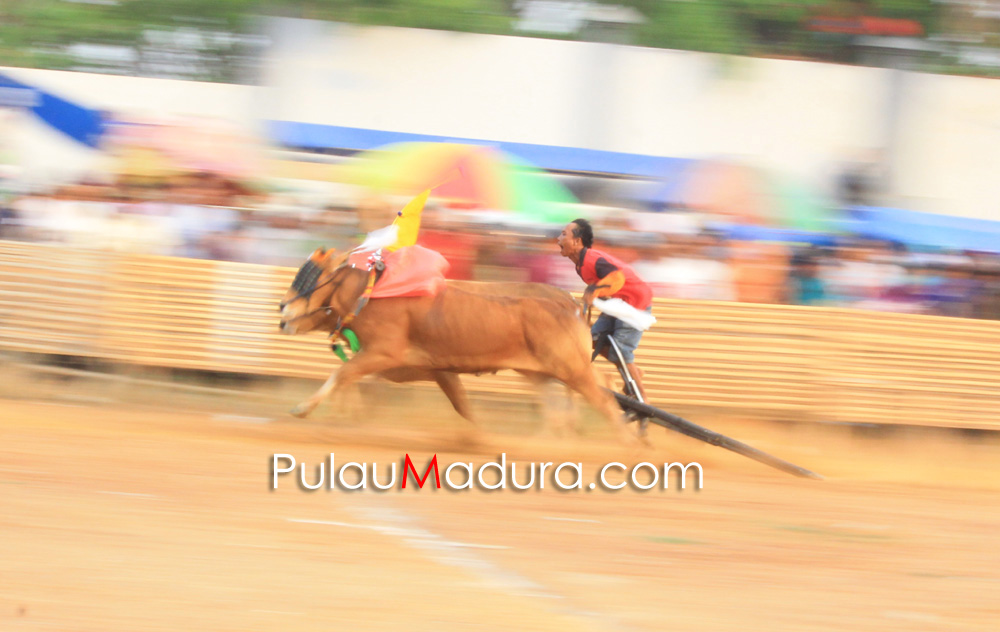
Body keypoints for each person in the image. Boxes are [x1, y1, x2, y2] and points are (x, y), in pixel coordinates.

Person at [557, 218, 653, 401]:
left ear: (577, 241)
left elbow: (617, 277)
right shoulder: (580, 264)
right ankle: (634, 371)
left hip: (633, 303)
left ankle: (641, 398)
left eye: (563, 235)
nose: (558, 239)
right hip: (616, 302)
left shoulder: (592, 260)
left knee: (621, 352)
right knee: (591, 339)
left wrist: (594, 290)